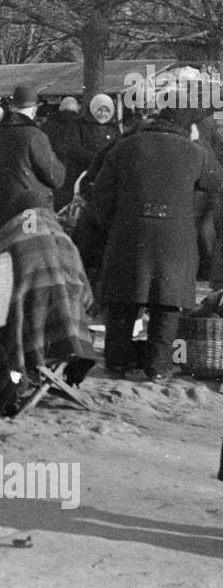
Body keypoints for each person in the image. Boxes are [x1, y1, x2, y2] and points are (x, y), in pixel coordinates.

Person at [91, 103, 223, 381]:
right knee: (167, 303)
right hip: (174, 239)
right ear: (188, 128)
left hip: (129, 233)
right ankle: (158, 367)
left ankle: (116, 362)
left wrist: (115, 225)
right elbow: (215, 182)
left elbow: (100, 195)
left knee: (123, 300)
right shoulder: (194, 151)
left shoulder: (124, 147)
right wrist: (200, 144)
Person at [0, 206, 96, 414]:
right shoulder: (66, 241)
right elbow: (87, 295)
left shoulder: (10, 240)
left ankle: (8, 391)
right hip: (68, 333)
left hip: (26, 332)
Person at [0, 83, 65, 232]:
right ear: (34, 110)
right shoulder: (34, 136)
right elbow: (56, 177)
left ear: (12, 106)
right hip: (29, 214)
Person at [41, 97, 82, 208]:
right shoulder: (80, 125)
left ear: (60, 108)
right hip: (75, 172)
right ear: (77, 109)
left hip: (54, 170)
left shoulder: (48, 125)